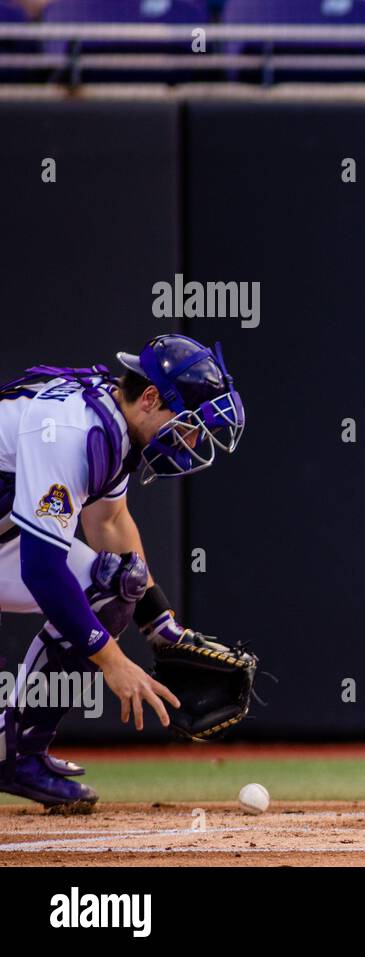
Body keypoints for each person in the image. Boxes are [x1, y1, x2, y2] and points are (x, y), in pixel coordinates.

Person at [0, 334, 244, 811]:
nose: (192, 441)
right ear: (150, 397)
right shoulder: (68, 431)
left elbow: (108, 522)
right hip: (19, 551)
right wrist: (112, 662)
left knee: (119, 582)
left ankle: (16, 753)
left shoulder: (113, 422)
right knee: (91, 582)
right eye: (190, 425)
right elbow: (43, 572)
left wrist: (160, 624)